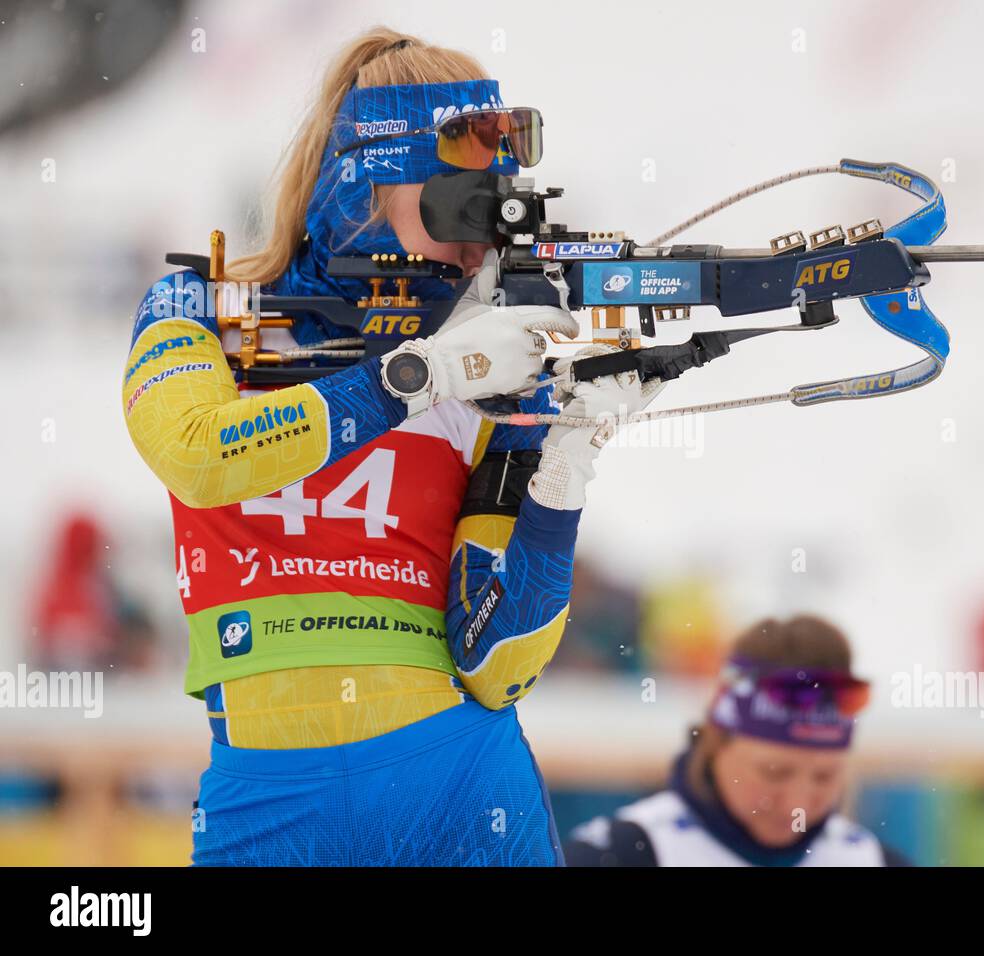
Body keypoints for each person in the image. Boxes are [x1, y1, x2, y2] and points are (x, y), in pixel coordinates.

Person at [121, 27, 655, 866]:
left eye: (495, 196)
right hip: (267, 800)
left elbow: (498, 661)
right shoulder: (200, 310)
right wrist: (414, 376)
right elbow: (199, 454)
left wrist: (562, 464)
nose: (479, 238)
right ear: (363, 183)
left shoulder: (484, 350)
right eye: (457, 202)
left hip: (464, 786)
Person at [565, 615, 910, 866]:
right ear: (717, 747)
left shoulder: (871, 860)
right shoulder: (620, 855)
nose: (796, 806)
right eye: (774, 772)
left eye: (825, 777)